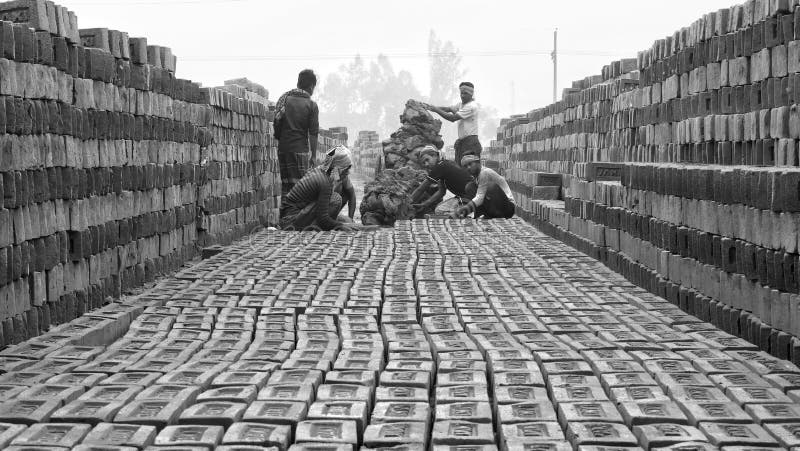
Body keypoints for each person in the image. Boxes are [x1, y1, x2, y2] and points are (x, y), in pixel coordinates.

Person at [279, 146, 360, 231]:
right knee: (336, 199)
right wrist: (340, 226)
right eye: (346, 170)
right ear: (337, 169)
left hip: (296, 215)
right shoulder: (324, 182)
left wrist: (345, 223)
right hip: (290, 220)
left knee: (347, 220)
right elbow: (323, 219)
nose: (348, 173)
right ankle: (313, 228)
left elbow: (351, 195)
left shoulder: (321, 171)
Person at [274, 69, 320, 196]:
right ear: (311, 86)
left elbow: (277, 125)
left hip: (283, 150)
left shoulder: (285, 99)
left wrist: (282, 140)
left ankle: (285, 214)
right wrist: (314, 155)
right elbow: (313, 133)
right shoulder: (311, 105)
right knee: (300, 190)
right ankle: (295, 215)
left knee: (286, 188)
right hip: (299, 151)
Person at [422, 82, 481, 166]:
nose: (462, 95)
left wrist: (435, 110)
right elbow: (448, 109)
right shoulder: (461, 105)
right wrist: (430, 108)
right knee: (459, 167)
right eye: (461, 93)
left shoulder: (471, 106)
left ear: (471, 94)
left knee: (469, 168)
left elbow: (452, 118)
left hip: (471, 142)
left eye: (465, 93)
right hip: (462, 141)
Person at [410, 145, 476, 215]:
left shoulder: (439, 167)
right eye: (423, 163)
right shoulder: (445, 164)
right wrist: (425, 204)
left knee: (440, 210)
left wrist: (407, 202)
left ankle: (464, 216)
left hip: (471, 198)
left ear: (435, 156)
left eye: (427, 160)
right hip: (472, 196)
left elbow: (421, 189)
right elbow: (442, 192)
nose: (426, 164)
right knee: (440, 208)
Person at [452, 155, 515, 220]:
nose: (468, 167)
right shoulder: (476, 177)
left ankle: (499, 216)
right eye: (465, 166)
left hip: (508, 208)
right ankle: (486, 214)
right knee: (470, 187)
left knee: (490, 186)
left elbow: (480, 198)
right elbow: (478, 198)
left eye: (470, 164)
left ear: (478, 162)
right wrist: (465, 212)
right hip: (495, 206)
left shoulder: (485, 172)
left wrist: (464, 209)